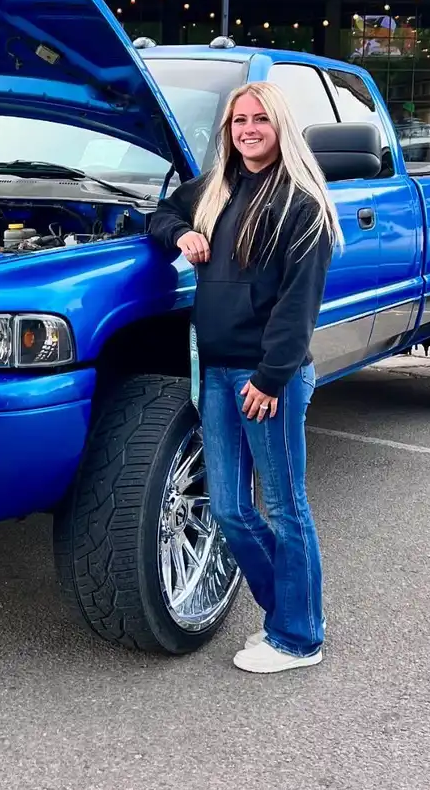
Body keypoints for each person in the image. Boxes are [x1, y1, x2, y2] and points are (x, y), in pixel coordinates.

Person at [149, 80, 341, 674]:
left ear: (280, 125)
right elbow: (159, 213)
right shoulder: (216, 188)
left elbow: (296, 306)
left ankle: (298, 637)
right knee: (230, 510)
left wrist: (272, 377)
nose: (249, 129)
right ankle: (290, 611)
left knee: (285, 508)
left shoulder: (301, 204)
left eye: (260, 119)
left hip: (268, 380)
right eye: (238, 121)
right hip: (216, 373)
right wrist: (181, 233)